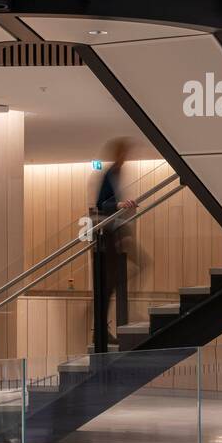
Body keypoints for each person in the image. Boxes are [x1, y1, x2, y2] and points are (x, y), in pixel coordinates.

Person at [91, 139, 137, 345]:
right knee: (108, 285)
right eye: (124, 153)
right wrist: (119, 204)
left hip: (114, 233)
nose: (126, 157)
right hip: (107, 235)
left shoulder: (116, 174)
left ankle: (103, 329)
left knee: (111, 284)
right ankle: (100, 330)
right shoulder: (109, 174)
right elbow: (100, 203)